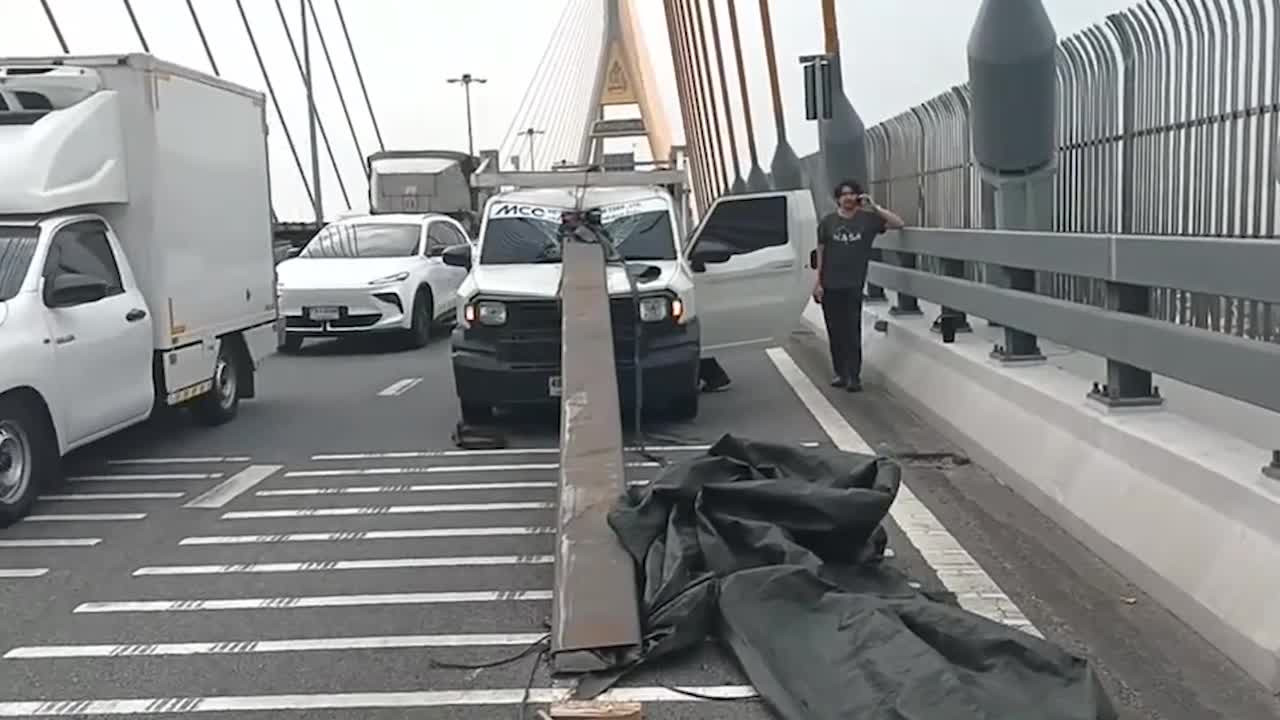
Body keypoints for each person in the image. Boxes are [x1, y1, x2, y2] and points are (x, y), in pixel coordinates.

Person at [813, 179, 905, 392]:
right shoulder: (828, 223)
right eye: (843, 194)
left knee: (851, 330)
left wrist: (875, 207)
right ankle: (840, 373)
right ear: (838, 199)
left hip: (853, 283)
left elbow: (898, 223)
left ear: (858, 197)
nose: (848, 197)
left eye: (852, 193)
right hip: (829, 284)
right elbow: (820, 252)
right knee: (835, 331)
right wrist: (817, 282)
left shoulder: (868, 221)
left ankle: (854, 376)